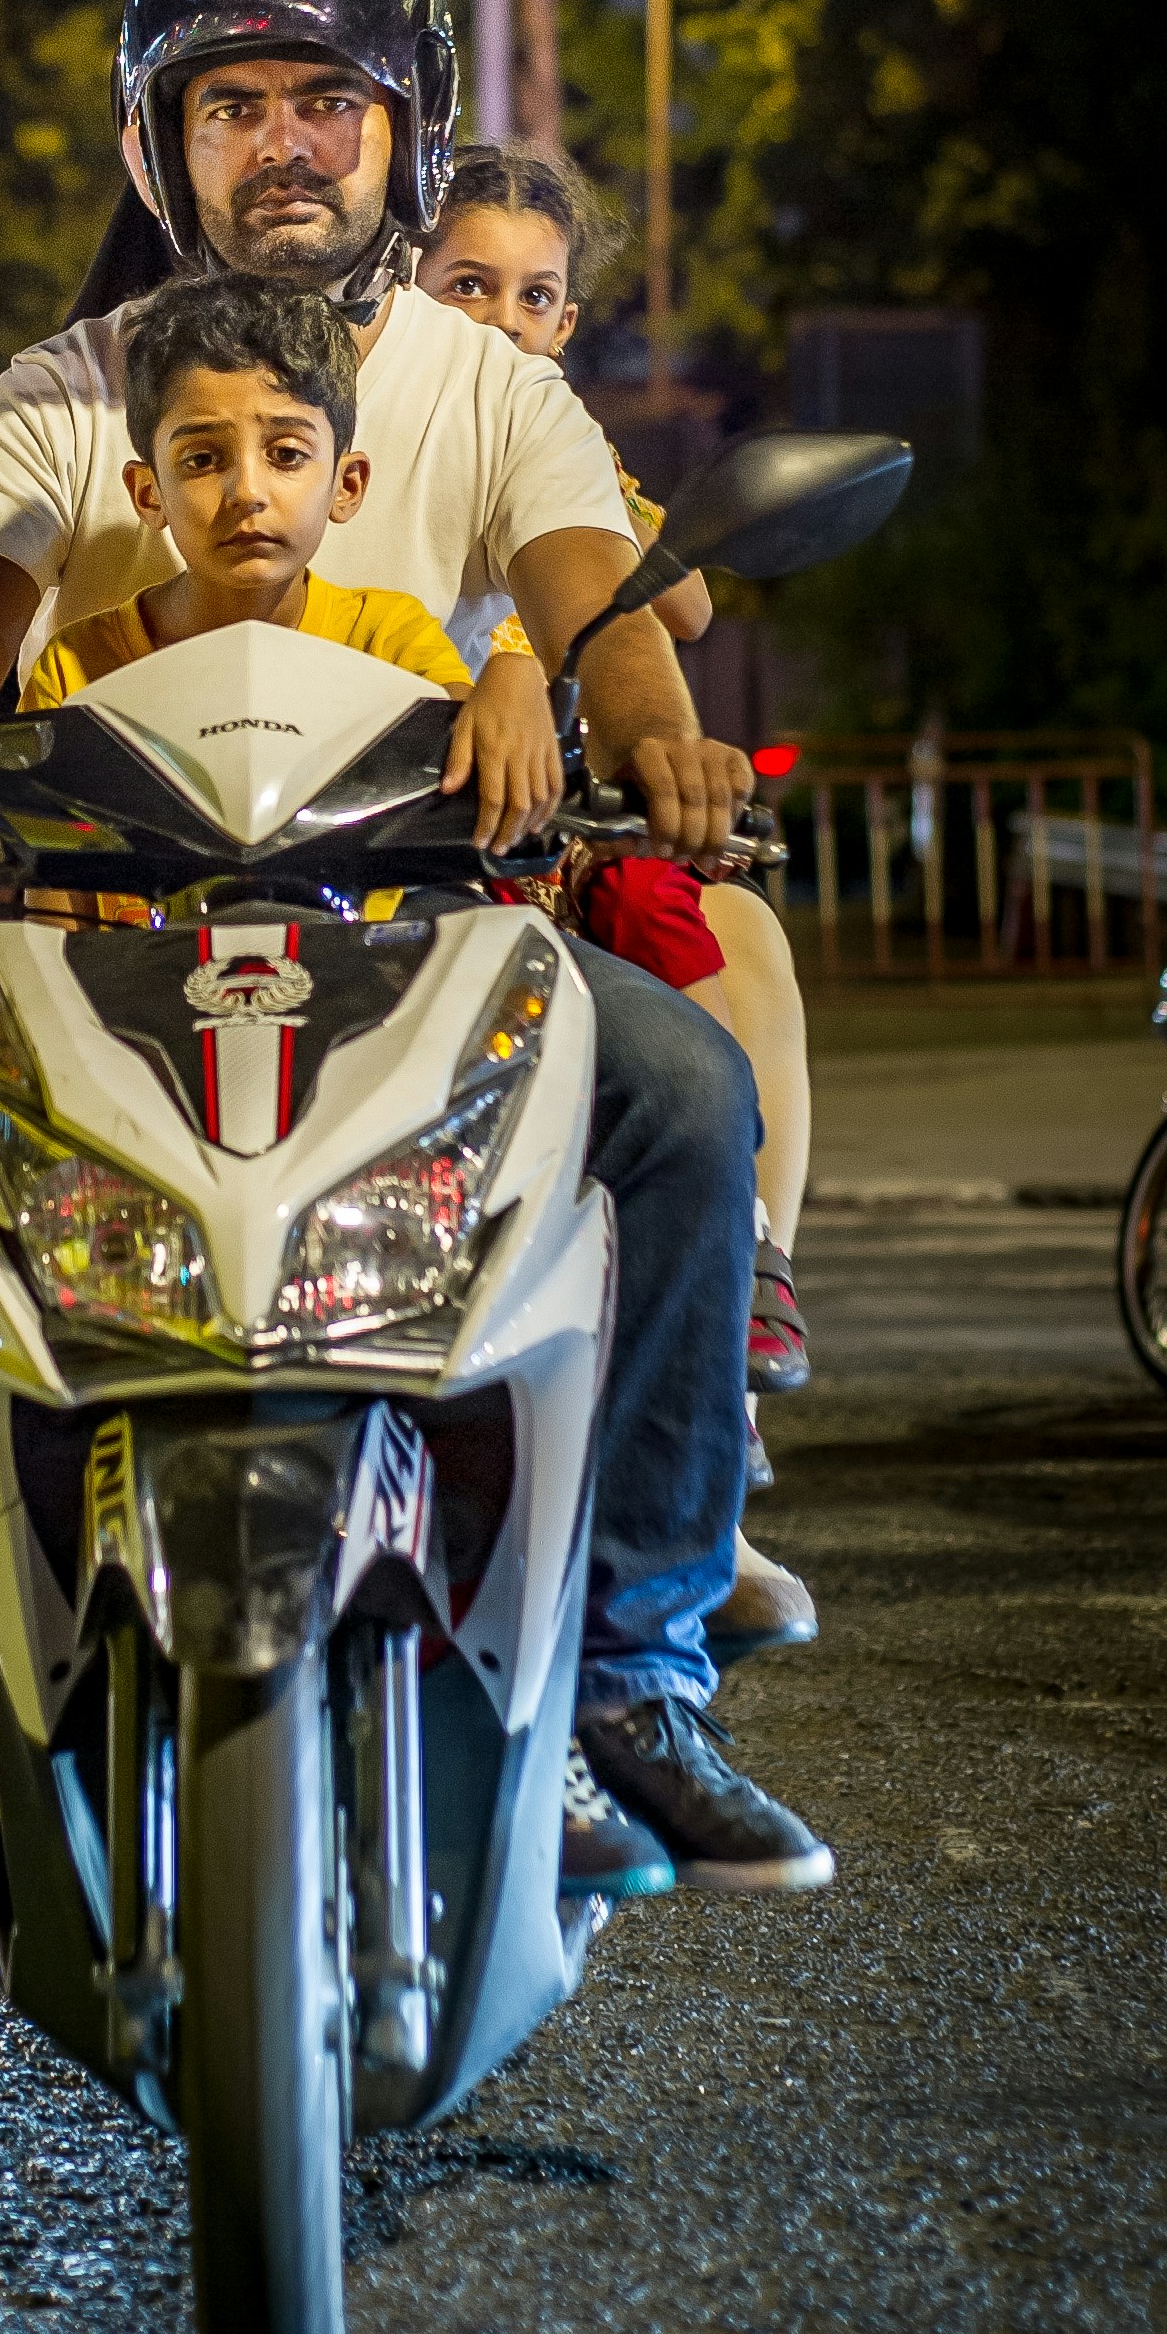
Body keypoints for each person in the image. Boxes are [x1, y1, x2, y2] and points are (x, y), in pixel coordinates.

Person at [0, 0, 833, 1973]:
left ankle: (630, 1667)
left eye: (325, 97)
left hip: (430, 941)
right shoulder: (61, 393)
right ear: (162, 146)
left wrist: (664, 747)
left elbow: (608, 610)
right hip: (100, 947)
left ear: (405, 136)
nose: (285, 140)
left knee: (691, 1097)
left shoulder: (494, 393)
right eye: (230, 99)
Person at [415, 140, 817, 1642]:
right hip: (364, 839)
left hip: (547, 831)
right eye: (468, 285)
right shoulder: (334, 429)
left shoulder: (556, 442)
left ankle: (725, 1394)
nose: (505, 320)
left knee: (728, 935)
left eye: (537, 297)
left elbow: (681, 598)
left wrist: (558, 509)